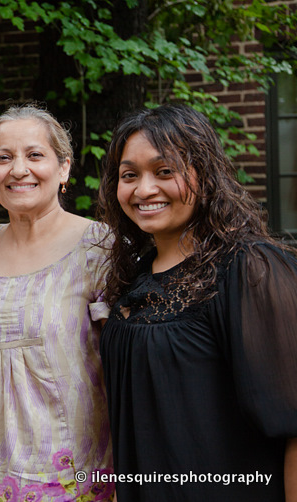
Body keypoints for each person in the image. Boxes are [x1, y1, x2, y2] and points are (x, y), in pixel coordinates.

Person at [97, 103, 297, 501]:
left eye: (164, 171)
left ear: (204, 175)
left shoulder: (250, 268)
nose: (144, 189)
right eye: (129, 175)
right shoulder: (130, 278)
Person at [0, 104, 114, 501]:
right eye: (3, 158)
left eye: (34, 155)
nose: (18, 169)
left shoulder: (99, 246)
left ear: (63, 168)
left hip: (72, 477)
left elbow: (128, 364)